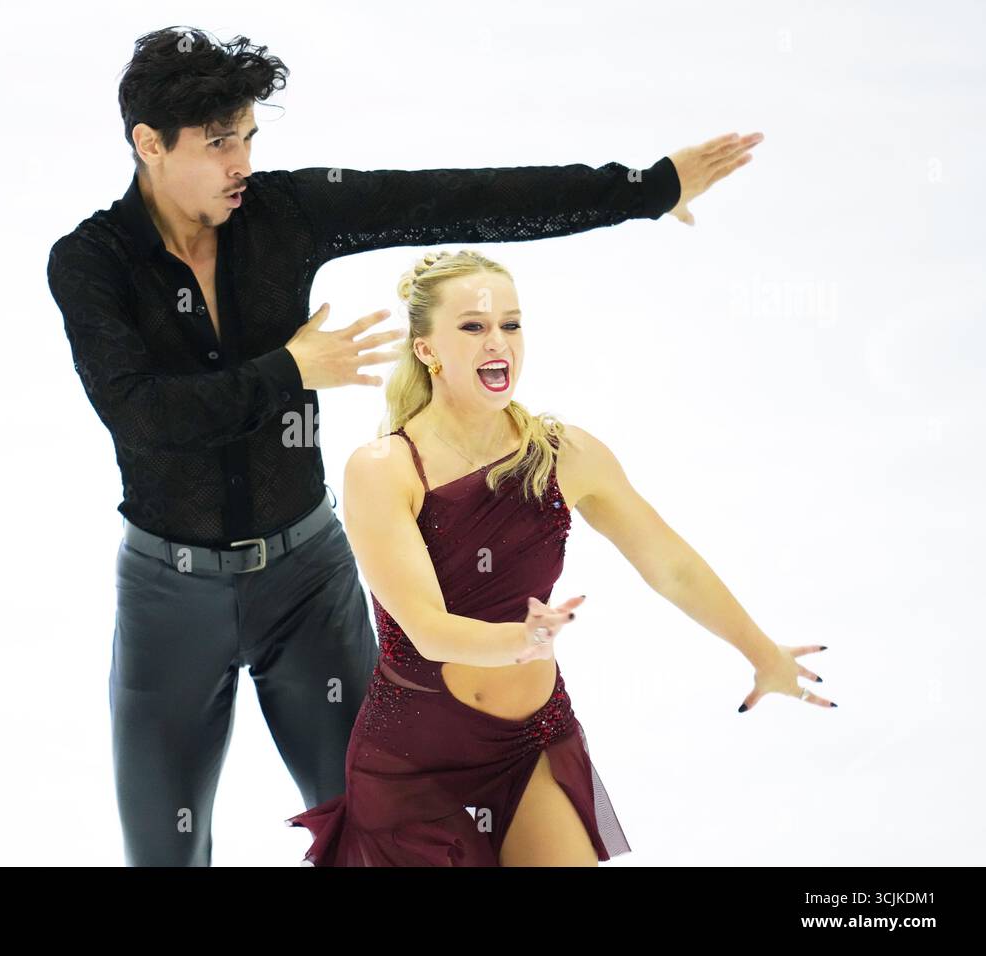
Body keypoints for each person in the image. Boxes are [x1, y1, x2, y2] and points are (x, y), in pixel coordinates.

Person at [45, 26, 760, 866]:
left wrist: (641, 190)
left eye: (248, 136)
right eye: (218, 142)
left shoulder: (283, 216)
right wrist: (291, 369)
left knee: (383, 830)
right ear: (148, 143)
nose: (241, 160)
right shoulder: (90, 263)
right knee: (163, 847)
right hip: (170, 595)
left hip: (306, 584)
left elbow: (452, 197)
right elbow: (140, 416)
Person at [286, 249, 835, 866]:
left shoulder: (563, 453)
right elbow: (430, 632)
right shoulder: (385, 469)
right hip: (417, 758)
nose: (499, 342)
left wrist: (761, 653)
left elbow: (669, 563)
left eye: (511, 325)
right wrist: (521, 641)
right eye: (473, 327)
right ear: (427, 350)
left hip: (531, 741)